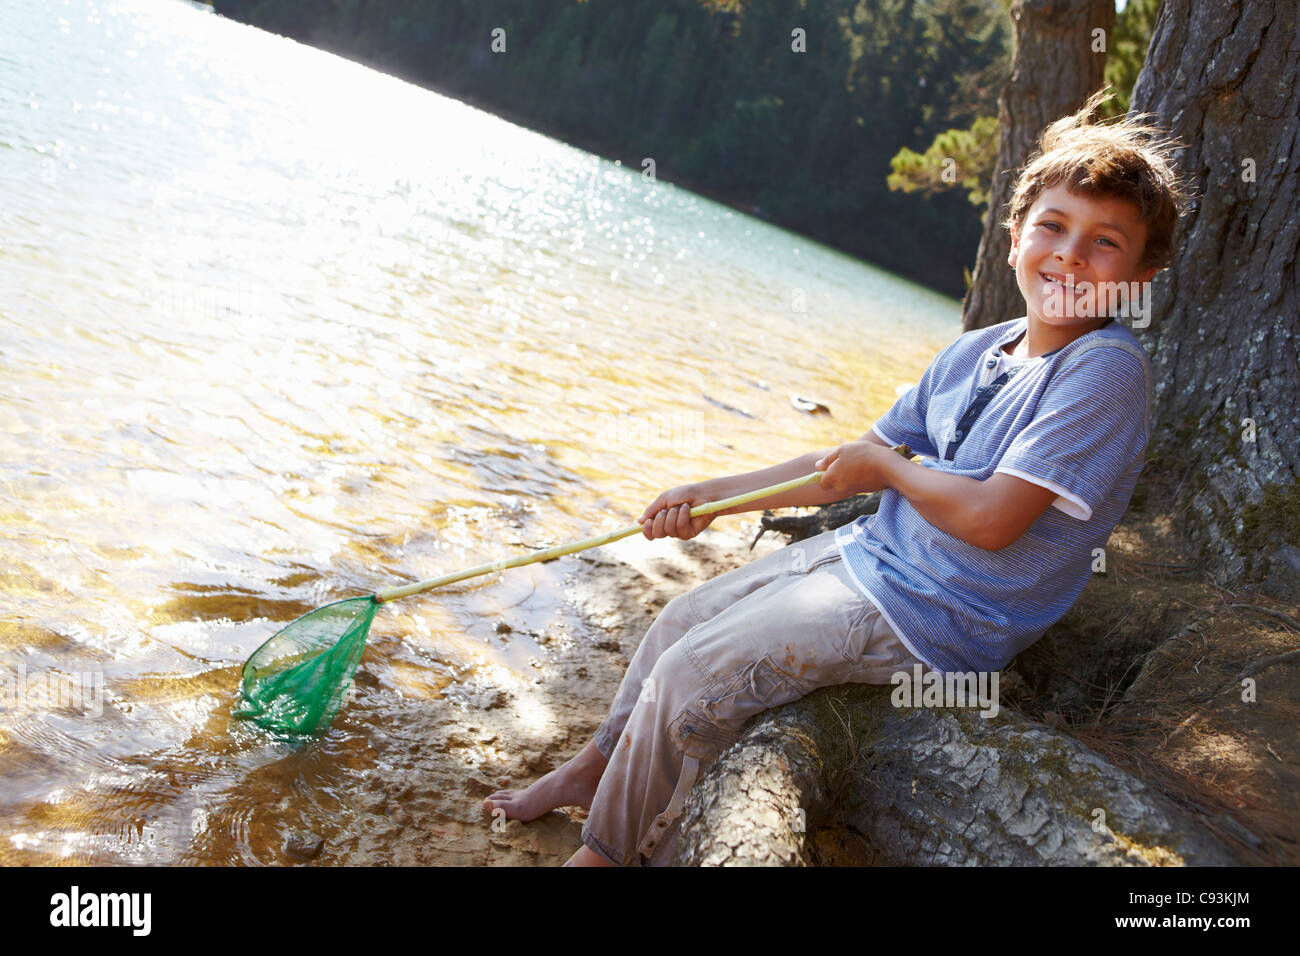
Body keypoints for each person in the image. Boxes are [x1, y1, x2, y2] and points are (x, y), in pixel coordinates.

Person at [483, 87, 1192, 866]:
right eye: (1053, 227)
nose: (1069, 255)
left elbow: (993, 519)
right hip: (870, 557)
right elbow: (842, 469)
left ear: (1140, 275)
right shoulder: (980, 348)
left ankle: (608, 854)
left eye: (1104, 244)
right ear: (1016, 232)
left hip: (934, 617)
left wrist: (888, 469)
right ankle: (595, 770)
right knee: (677, 624)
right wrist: (715, 494)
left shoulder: (1105, 371)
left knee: (695, 676)